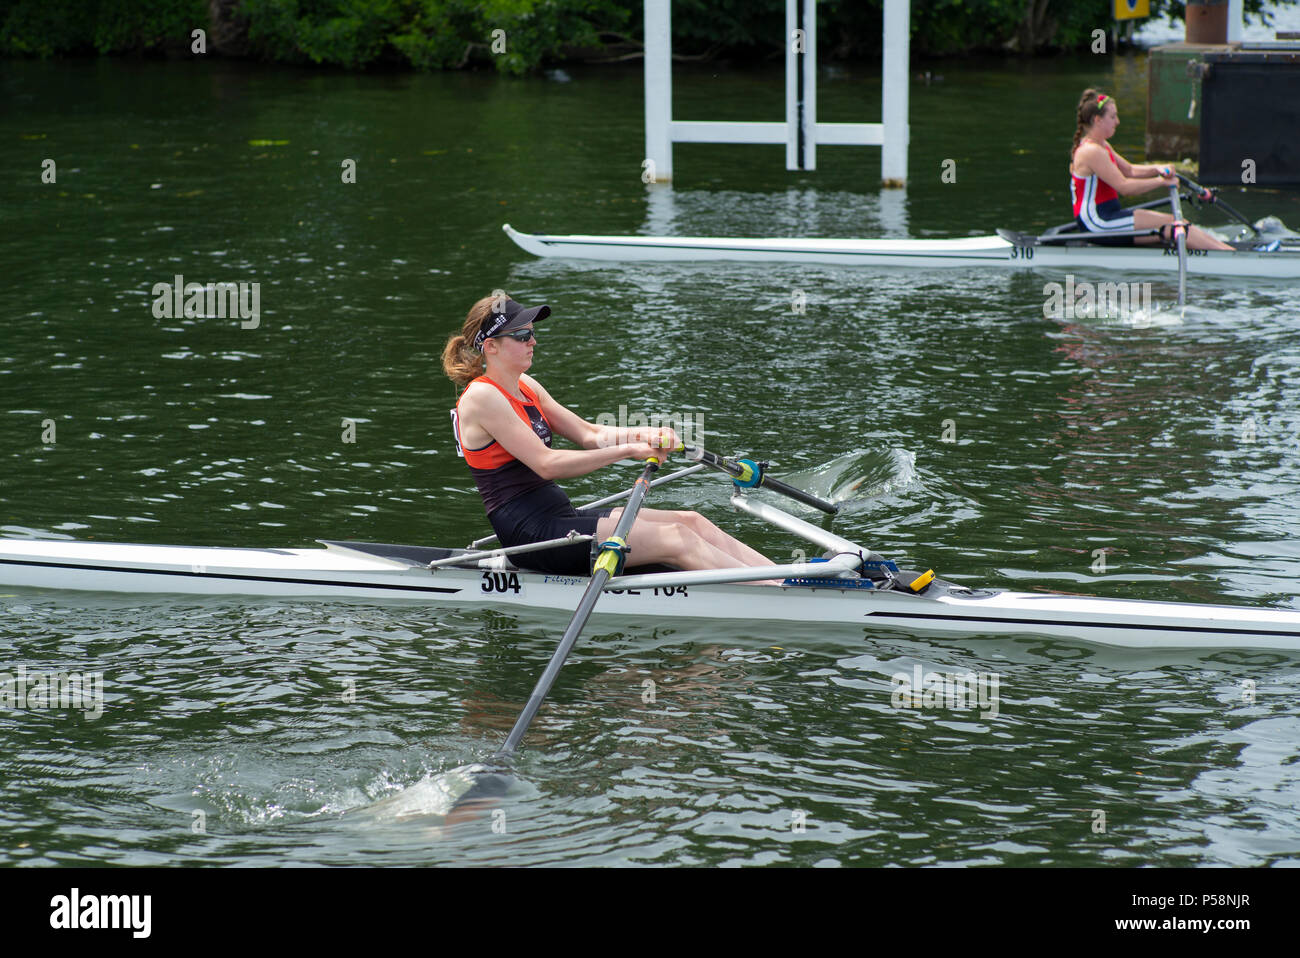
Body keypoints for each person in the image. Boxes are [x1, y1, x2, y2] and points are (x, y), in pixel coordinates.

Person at [441, 292, 774, 578]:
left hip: (560, 515)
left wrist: (649, 433)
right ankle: (775, 597)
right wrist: (629, 450)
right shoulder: (482, 397)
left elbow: (589, 433)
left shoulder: (526, 386)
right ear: (491, 346)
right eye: (522, 335)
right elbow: (547, 464)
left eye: (532, 332)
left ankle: (786, 582)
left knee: (692, 522)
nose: (534, 341)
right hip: (531, 535)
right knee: (677, 539)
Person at [1069, 89, 1232, 251]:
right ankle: (1230, 256)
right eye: (1112, 117)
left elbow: (1130, 170)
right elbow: (1125, 187)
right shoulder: (1091, 152)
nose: (1117, 121)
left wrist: (1157, 168)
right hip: (1098, 222)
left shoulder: (1102, 145)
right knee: (1174, 225)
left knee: (1179, 223)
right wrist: (1161, 182)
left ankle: (1228, 251)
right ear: (1097, 120)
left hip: (1110, 215)